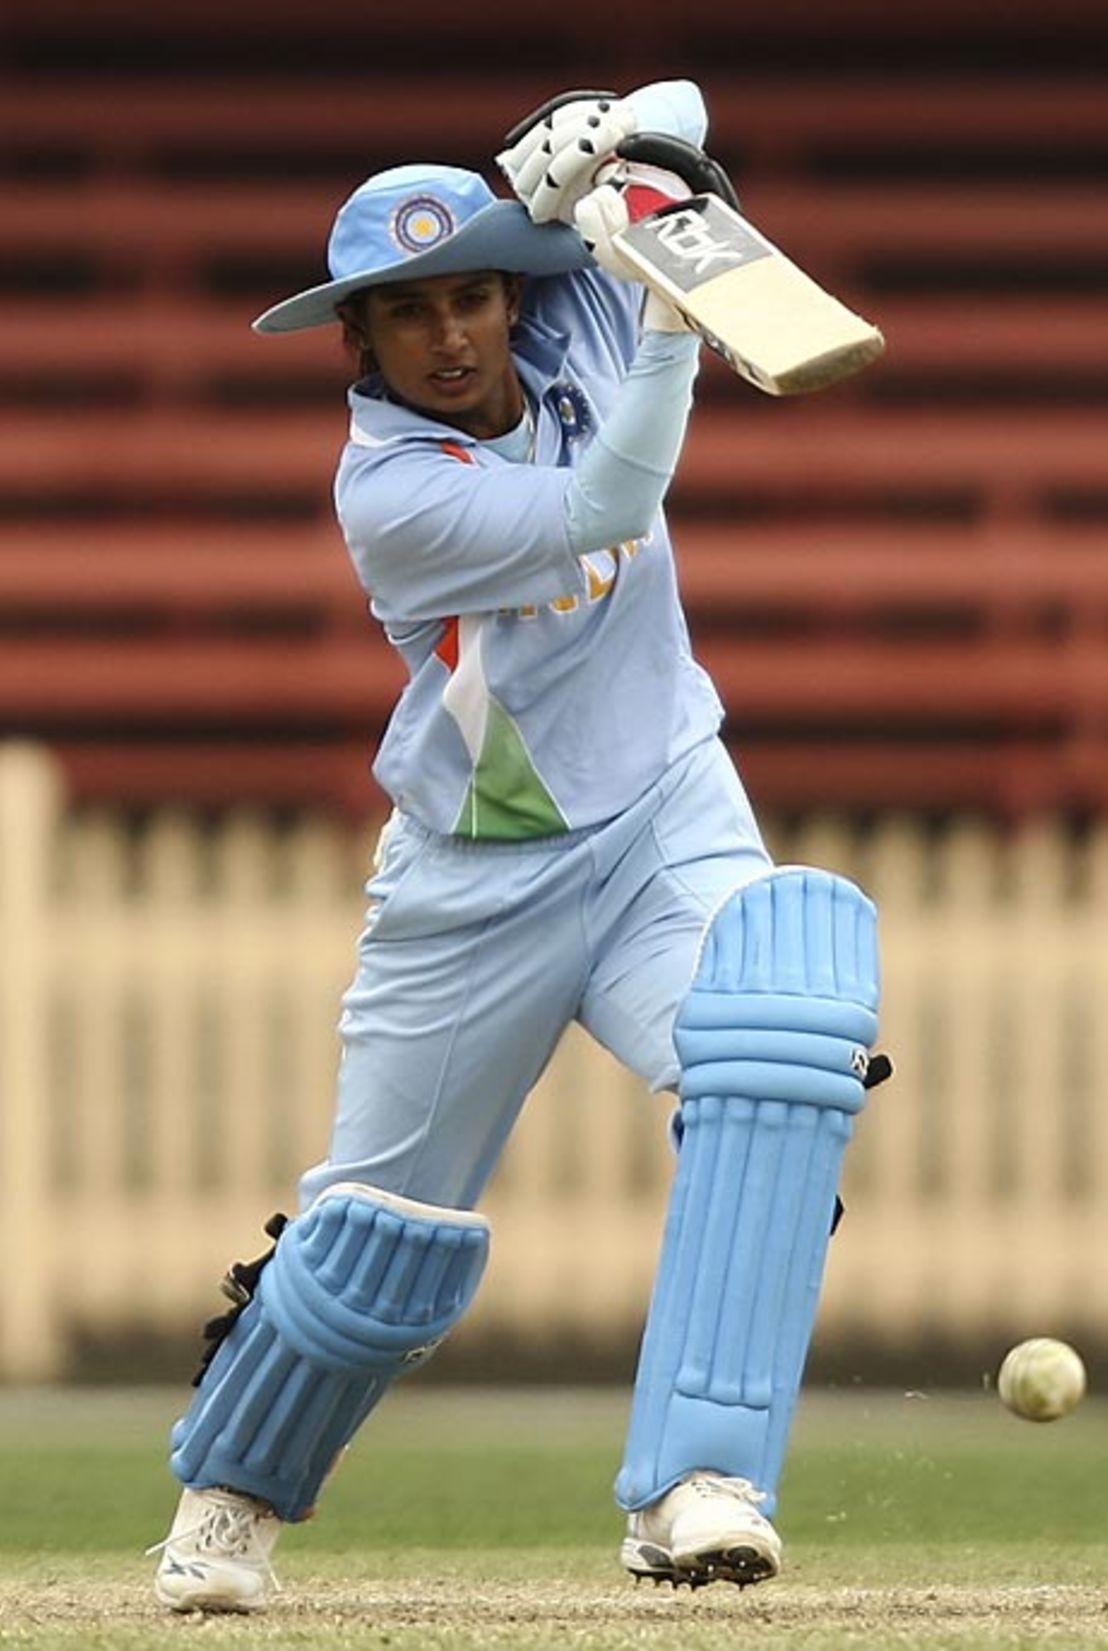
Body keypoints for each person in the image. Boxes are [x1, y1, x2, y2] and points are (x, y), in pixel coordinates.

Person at [148, 79, 884, 1613]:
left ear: (509, 285)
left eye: (475, 293)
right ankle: (228, 1494)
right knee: (376, 1239)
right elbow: (616, 497)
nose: (456, 336)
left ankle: (700, 1481)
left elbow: (681, 114)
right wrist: (672, 312)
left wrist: (587, 143)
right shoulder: (392, 492)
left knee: (783, 1051)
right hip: (480, 873)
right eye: (410, 314)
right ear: (359, 342)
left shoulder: (577, 315)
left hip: (670, 805)